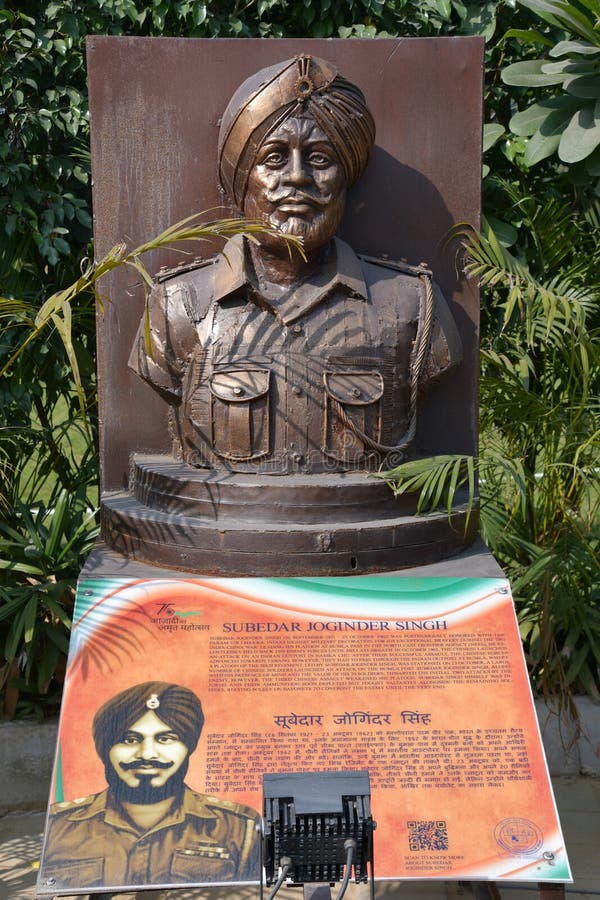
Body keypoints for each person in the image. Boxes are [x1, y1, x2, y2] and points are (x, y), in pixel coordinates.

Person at [128, 54, 462, 474]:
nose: (298, 177)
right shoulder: (176, 305)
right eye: (274, 158)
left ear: (346, 178)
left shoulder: (413, 306)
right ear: (242, 179)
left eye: (320, 159)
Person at [39, 682, 260, 891]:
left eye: (165, 739)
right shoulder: (59, 826)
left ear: (188, 747)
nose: (146, 754)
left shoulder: (238, 829)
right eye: (129, 739)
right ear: (105, 749)